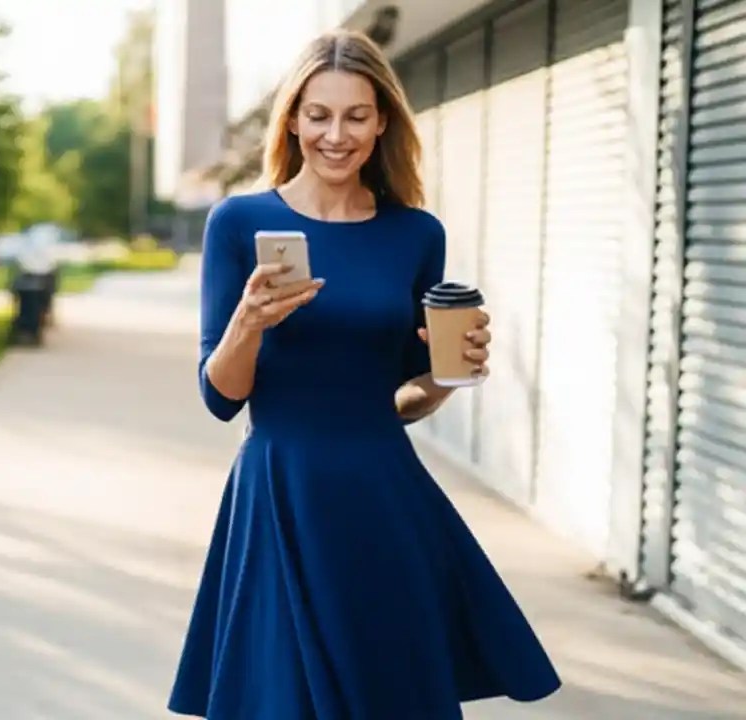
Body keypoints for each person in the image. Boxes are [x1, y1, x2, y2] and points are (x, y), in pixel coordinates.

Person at [167, 30, 562, 719]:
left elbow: (407, 396)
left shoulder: (416, 234)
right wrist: (248, 321)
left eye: (356, 116)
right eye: (318, 115)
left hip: (384, 494)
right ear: (292, 118)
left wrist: (450, 372)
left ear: (383, 122)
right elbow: (221, 397)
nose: (336, 135)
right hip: (280, 492)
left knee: (390, 693)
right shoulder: (238, 221)